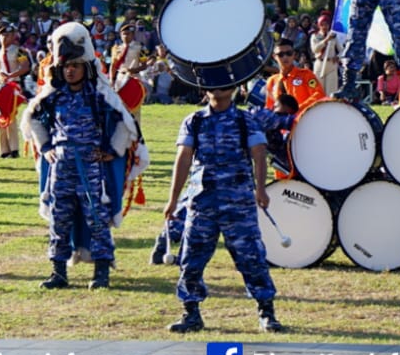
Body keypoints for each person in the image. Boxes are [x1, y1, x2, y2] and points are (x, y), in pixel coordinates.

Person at [162, 81, 284, 333]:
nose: (218, 89)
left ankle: (266, 312)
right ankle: (191, 312)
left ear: (235, 89)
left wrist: (260, 188)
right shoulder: (194, 121)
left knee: (251, 257)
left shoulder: (245, 120)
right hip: (202, 203)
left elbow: (259, 154)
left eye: (224, 84)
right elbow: (183, 158)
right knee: (191, 259)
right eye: (213, 84)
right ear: (205, 90)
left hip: (238, 203)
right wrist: (173, 199)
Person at [25, 35, 135, 291]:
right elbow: (33, 119)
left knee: (96, 218)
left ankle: (101, 272)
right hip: (61, 165)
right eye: (66, 66)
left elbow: (124, 122)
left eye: (75, 65)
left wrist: (112, 150)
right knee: (59, 217)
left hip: (90, 166)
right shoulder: (53, 97)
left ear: (85, 68)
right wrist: (46, 147)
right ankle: (59, 272)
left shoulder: (98, 97)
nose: (70, 70)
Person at [0, 22, 34, 158]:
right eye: (2, 34)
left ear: (13, 36)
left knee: (10, 116)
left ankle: (14, 148)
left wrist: (11, 75)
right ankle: (4, 149)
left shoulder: (19, 51)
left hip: (12, 85)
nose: (5, 37)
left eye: (8, 35)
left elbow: (25, 67)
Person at [264, 40, 326, 112]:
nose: (285, 57)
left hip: (304, 117)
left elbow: (319, 95)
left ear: (294, 54)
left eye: (289, 53)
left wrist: (297, 110)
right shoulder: (272, 81)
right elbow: (269, 107)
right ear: (274, 57)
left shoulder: (306, 74)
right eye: (281, 54)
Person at [308, 13, 342, 98]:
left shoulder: (333, 36)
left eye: (326, 24)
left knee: (331, 90)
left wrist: (338, 56)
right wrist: (325, 40)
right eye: (322, 24)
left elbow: (342, 50)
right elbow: (315, 49)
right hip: (320, 64)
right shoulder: (314, 36)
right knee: (319, 90)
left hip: (331, 64)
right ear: (319, 25)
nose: (324, 27)